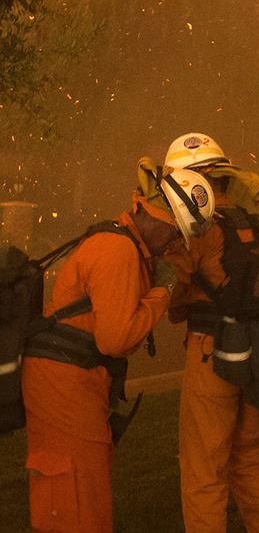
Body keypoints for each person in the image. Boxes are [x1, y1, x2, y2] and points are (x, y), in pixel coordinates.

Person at [23, 164, 213, 533]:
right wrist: (162, 292)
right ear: (156, 215)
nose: (176, 244)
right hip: (64, 389)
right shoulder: (119, 252)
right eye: (176, 233)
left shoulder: (123, 243)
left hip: (70, 382)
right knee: (77, 501)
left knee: (80, 492)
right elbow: (116, 339)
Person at [163, 133, 259, 533]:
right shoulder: (257, 225)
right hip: (256, 353)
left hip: (211, 356)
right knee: (248, 460)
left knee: (203, 471)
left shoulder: (198, 230)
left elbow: (172, 295)